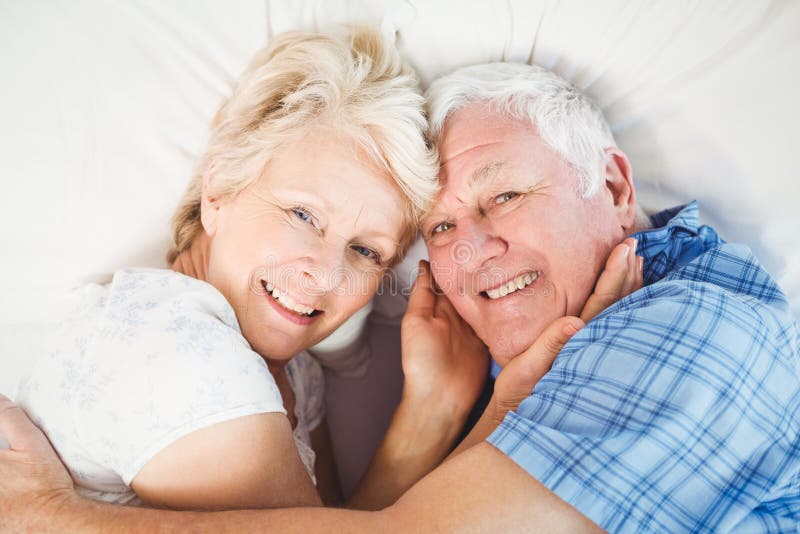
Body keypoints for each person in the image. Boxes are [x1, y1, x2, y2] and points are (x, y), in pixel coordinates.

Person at [3, 60, 797, 532]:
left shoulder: (687, 331)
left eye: (505, 196)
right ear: (218, 189)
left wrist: (49, 516)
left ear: (615, 185)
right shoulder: (186, 348)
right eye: (442, 227)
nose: (475, 250)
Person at [6, 26, 486, 512]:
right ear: (217, 192)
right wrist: (439, 415)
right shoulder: (180, 349)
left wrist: (433, 407)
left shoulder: (295, 372)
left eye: (366, 252)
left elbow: (332, 525)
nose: (324, 277)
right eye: (303, 216)